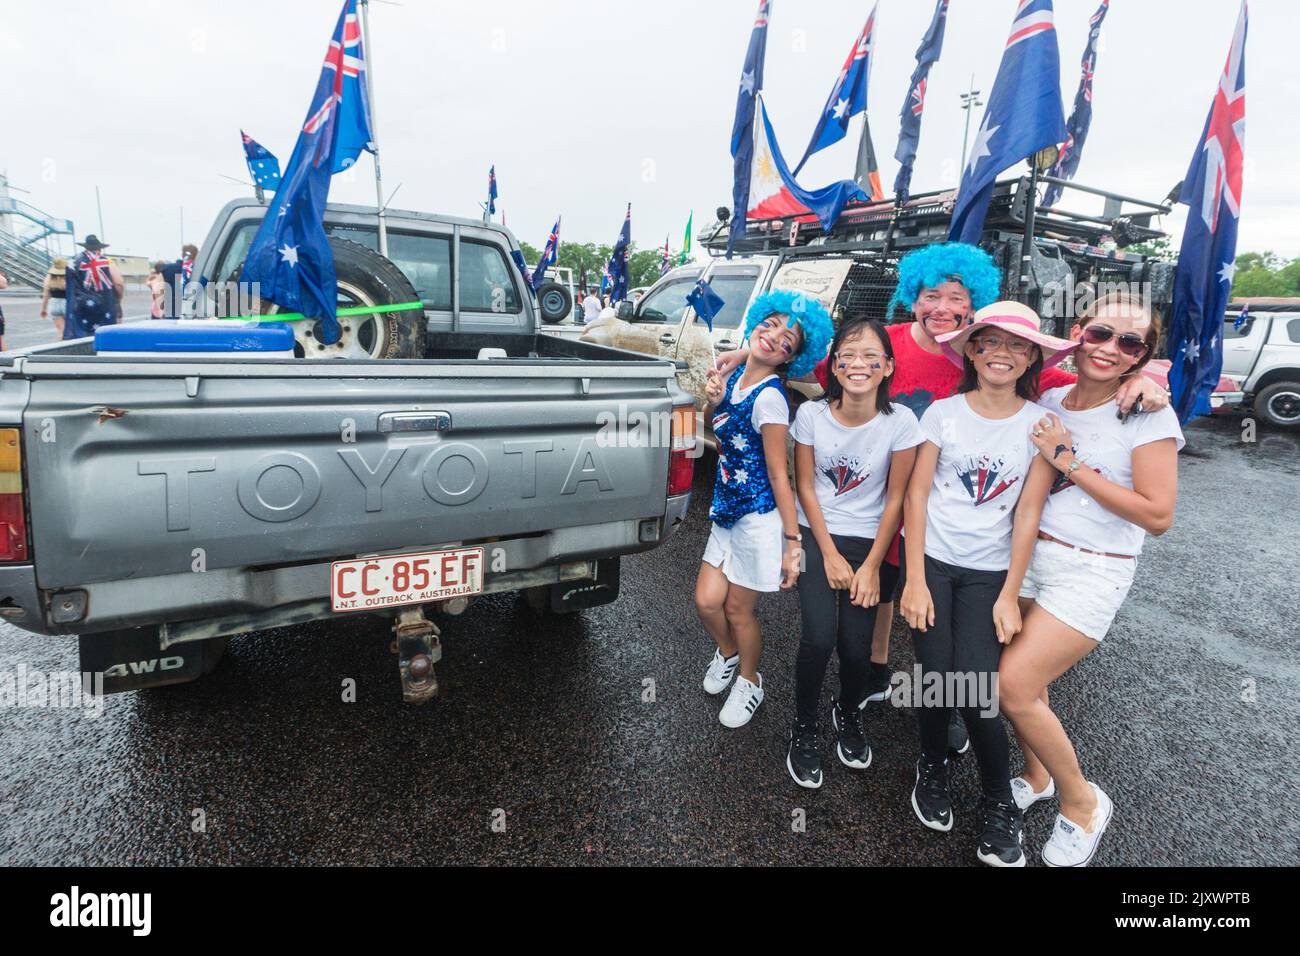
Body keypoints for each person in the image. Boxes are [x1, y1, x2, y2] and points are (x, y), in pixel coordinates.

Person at [714, 243, 1169, 756]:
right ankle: (864, 690)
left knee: (937, 627)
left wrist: (1143, 379)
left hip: (937, 523)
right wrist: (741, 358)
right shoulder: (882, 344)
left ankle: (939, 708)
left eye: (958, 298)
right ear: (914, 296)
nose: (943, 309)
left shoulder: (990, 355)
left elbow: (1077, 376)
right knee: (880, 604)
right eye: (932, 295)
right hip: (878, 506)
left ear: (972, 308)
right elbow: (823, 369)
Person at [997, 291, 1182, 867]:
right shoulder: (1050, 395)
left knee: (1013, 685)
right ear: (1078, 330)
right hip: (1031, 559)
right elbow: (995, 360)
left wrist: (1070, 461)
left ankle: (1081, 803)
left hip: (1092, 569)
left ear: (1140, 357)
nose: (1109, 349)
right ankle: (1037, 775)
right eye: (1100, 333)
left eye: (1130, 344)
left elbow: (1158, 516)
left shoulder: (1149, 413)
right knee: (1031, 685)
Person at [900, 301, 1078, 867]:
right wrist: (914, 580)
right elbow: (917, 495)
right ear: (972, 350)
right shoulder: (943, 414)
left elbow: (1028, 514)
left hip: (988, 575)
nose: (1001, 353)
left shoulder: (1041, 426)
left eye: (1016, 346)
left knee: (978, 690)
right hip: (932, 563)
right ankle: (932, 766)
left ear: (1031, 358)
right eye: (989, 342)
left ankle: (999, 801)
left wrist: (1009, 593)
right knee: (934, 673)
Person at [787, 318, 922, 787]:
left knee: (856, 648)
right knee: (819, 637)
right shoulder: (811, 415)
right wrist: (826, 553)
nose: (857, 363)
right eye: (847, 353)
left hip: (871, 544)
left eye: (871, 356)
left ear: (888, 366)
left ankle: (847, 711)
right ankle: (803, 727)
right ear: (834, 365)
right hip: (816, 535)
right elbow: (804, 485)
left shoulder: (902, 422)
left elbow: (896, 499)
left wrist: (869, 567)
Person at [696, 290, 833, 728]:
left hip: (758, 520)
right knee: (705, 602)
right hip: (726, 512)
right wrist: (710, 402)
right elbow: (714, 435)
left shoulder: (772, 399)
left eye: (787, 340)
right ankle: (729, 653)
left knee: (738, 610)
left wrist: (793, 543)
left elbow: (781, 475)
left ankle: (751, 681)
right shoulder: (733, 377)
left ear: (790, 358)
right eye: (770, 324)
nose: (775, 337)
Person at [65, 235, 124, 339]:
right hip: (104, 303)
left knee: (83, 333)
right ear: (100, 248)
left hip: (81, 303)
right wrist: (118, 297)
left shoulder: (73, 262)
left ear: (85, 247)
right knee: (107, 333)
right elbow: (118, 282)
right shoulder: (106, 261)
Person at [40, 258, 69, 336]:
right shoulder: (69, 277)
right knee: (69, 330)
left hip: (54, 304)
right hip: (67, 303)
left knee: (60, 330)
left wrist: (43, 309)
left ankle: (61, 346)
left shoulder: (48, 278)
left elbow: (46, 295)